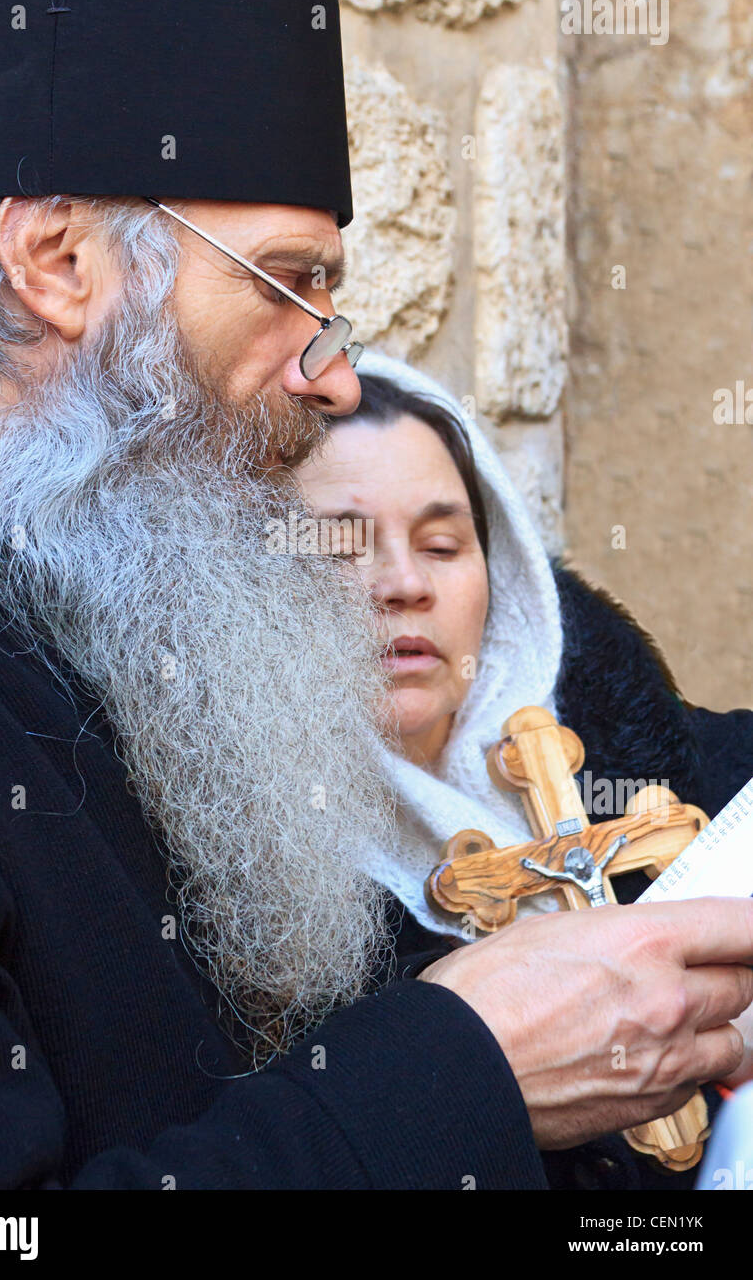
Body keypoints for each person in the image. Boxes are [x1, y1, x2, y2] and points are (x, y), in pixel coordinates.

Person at [0, 0, 752, 1192]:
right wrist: (466, 1073)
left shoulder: (134, 617)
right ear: (58, 259)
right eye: (290, 284)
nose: (336, 377)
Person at [295, 350, 753, 1188]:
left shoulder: (697, 787)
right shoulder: (238, 914)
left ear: (499, 577)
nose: (403, 584)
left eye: (443, 543)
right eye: (338, 548)